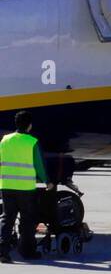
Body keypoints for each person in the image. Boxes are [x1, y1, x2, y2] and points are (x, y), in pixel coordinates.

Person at [1, 111, 55, 263]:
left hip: (7, 186)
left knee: (7, 219)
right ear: (29, 125)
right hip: (25, 188)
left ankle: (3, 252)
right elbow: (39, 164)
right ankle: (27, 251)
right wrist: (47, 182)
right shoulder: (32, 142)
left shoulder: (5, 140)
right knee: (27, 221)